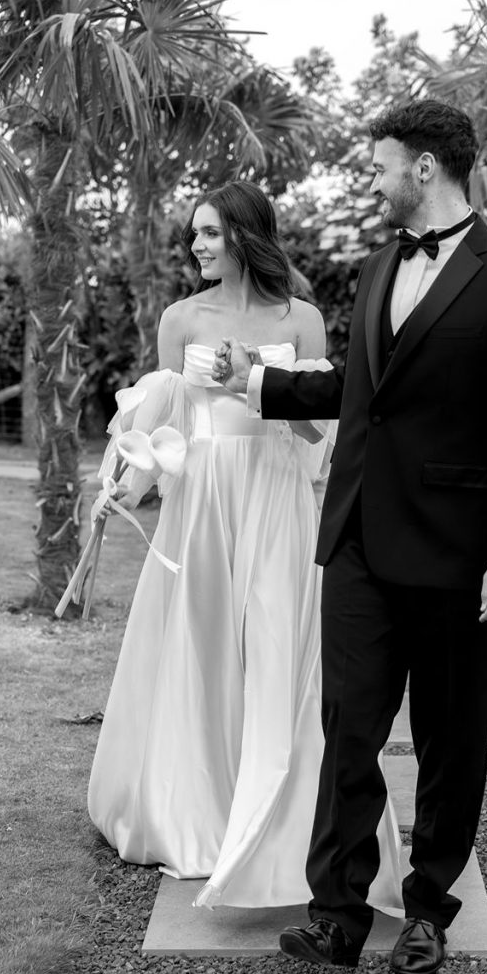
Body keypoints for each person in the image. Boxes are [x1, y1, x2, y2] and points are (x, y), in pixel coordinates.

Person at [213, 101, 487, 972]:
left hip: (458, 552)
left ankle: (427, 911)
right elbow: (357, 383)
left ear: (422, 168)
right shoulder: (377, 267)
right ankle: (336, 914)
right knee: (349, 729)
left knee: (451, 741)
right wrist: (257, 383)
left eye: (377, 166)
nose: (370, 180)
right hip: (361, 541)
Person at [87, 181, 403, 914]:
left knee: (274, 650)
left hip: (275, 497)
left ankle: (277, 822)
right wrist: (123, 489)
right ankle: (198, 808)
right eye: (192, 234)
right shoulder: (178, 319)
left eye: (209, 234)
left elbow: (318, 428)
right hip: (201, 501)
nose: (196, 246)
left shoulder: (302, 318)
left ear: (245, 236)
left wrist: (252, 382)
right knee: (201, 648)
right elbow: (161, 427)